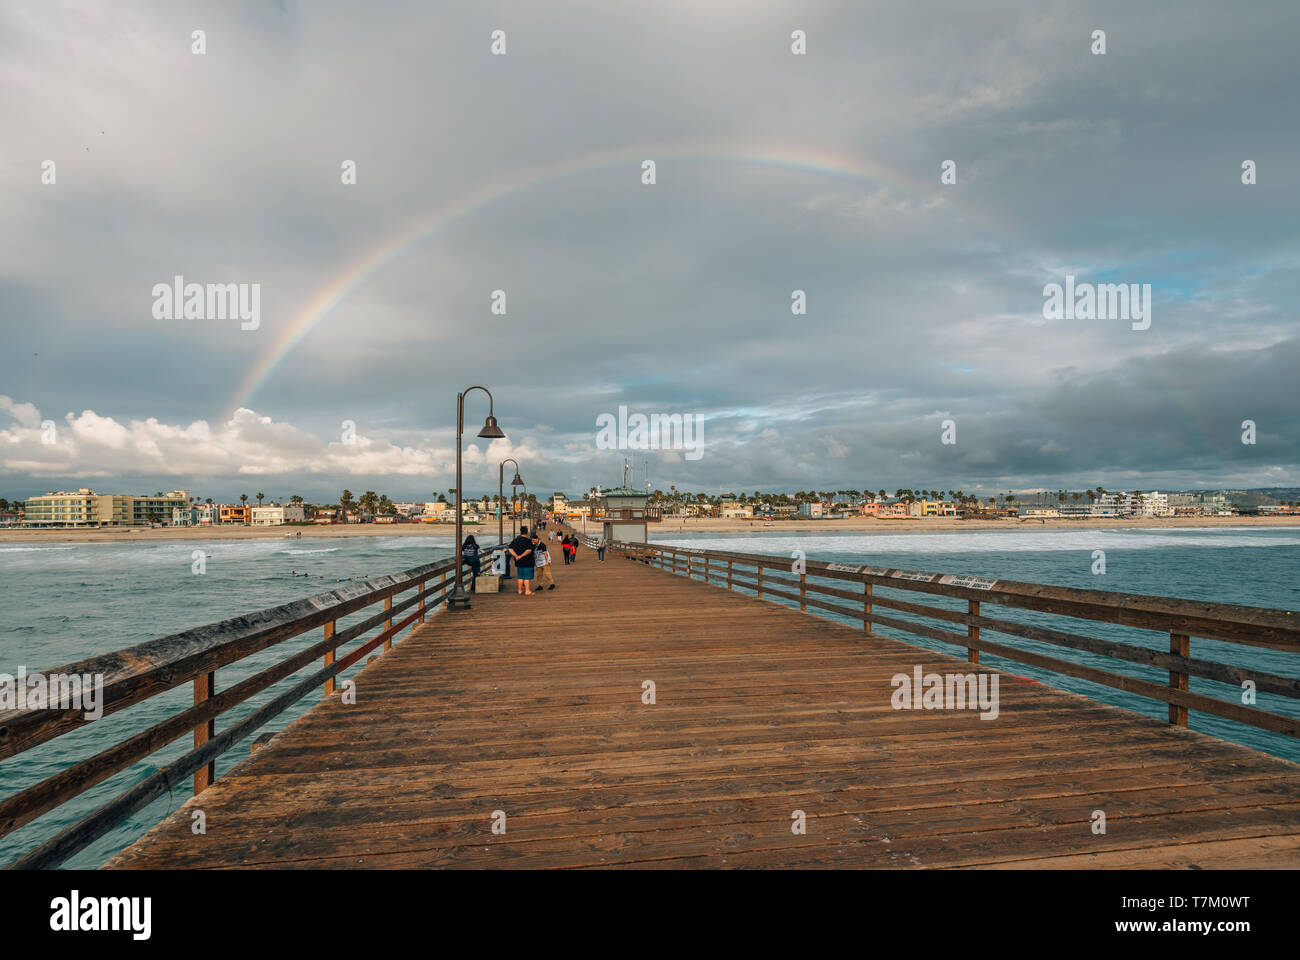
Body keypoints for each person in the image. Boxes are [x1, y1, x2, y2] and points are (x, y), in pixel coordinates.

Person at [508, 525, 536, 595]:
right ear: (527, 532)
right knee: (527, 577)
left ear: (520, 532)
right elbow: (529, 550)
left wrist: (516, 556)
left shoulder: (515, 540)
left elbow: (510, 549)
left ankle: (520, 590)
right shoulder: (528, 541)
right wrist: (521, 556)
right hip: (528, 561)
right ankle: (527, 591)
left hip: (518, 562)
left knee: (520, 577)